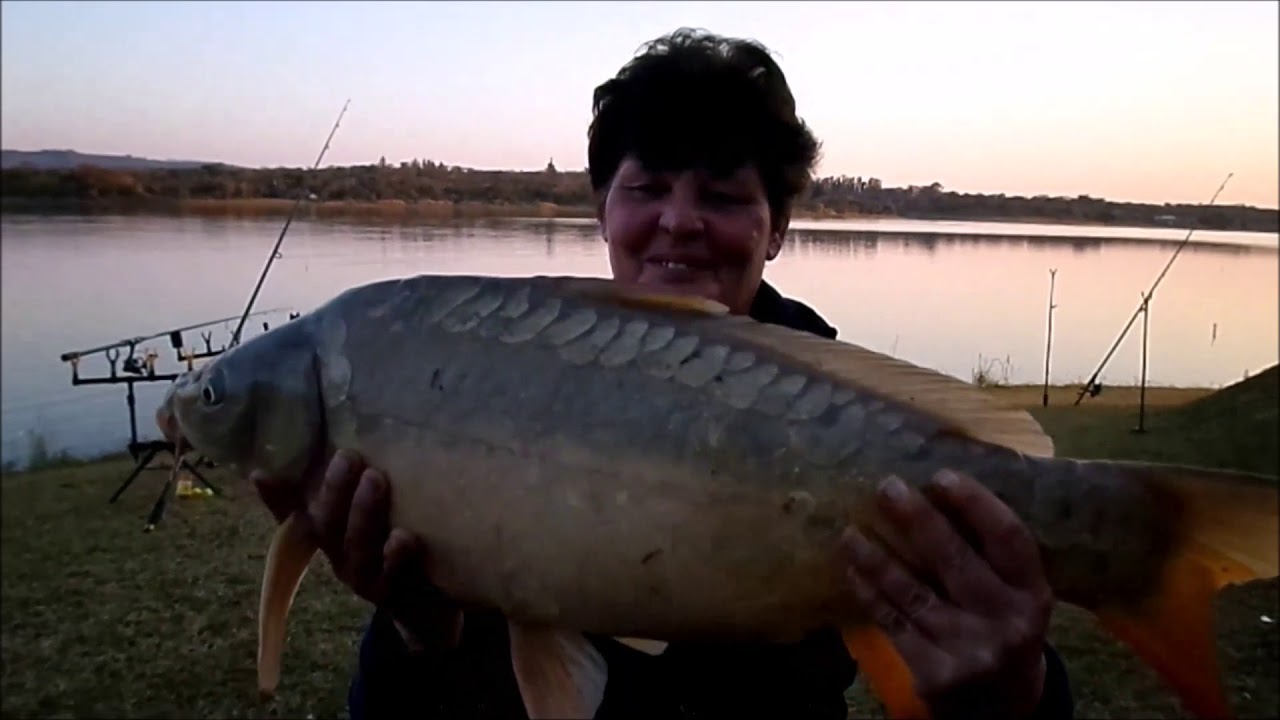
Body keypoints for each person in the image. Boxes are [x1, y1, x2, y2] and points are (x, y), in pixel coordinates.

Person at [252, 28, 1074, 720]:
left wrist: (1020, 693)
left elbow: (978, 671)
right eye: (646, 188)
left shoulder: (854, 425)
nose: (678, 221)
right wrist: (424, 634)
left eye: (720, 195)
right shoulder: (485, 382)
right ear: (603, 211)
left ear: (777, 229)